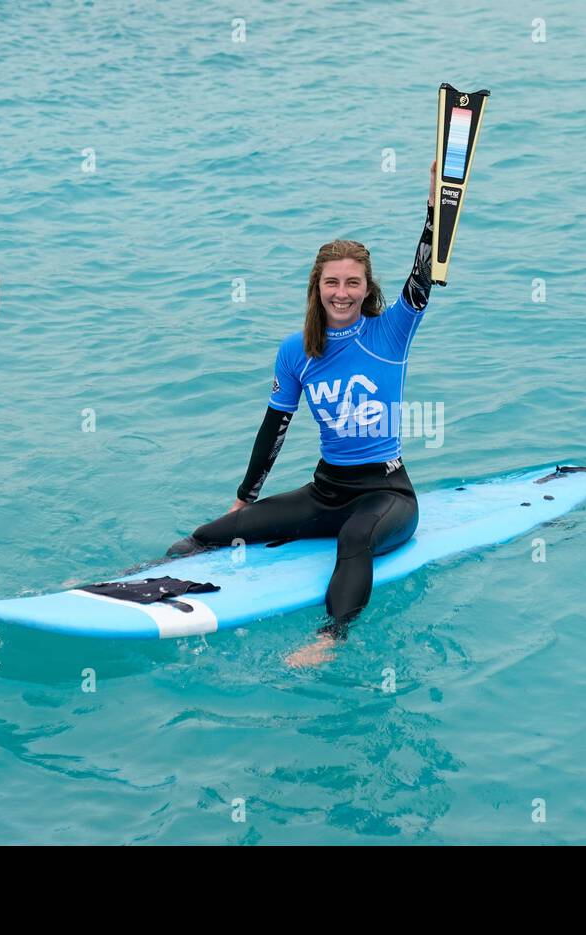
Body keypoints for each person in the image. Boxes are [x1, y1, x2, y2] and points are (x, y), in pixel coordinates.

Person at [167, 162, 439, 667]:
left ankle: (330, 637)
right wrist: (244, 499)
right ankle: (138, 578)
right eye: (332, 282)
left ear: (367, 287)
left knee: (356, 537)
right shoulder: (298, 350)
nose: (342, 293)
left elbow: (423, 277)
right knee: (209, 535)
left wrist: (434, 210)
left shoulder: (391, 332)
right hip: (325, 491)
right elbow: (275, 426)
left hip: (386, 494)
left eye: (353, 283)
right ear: (317, 287)